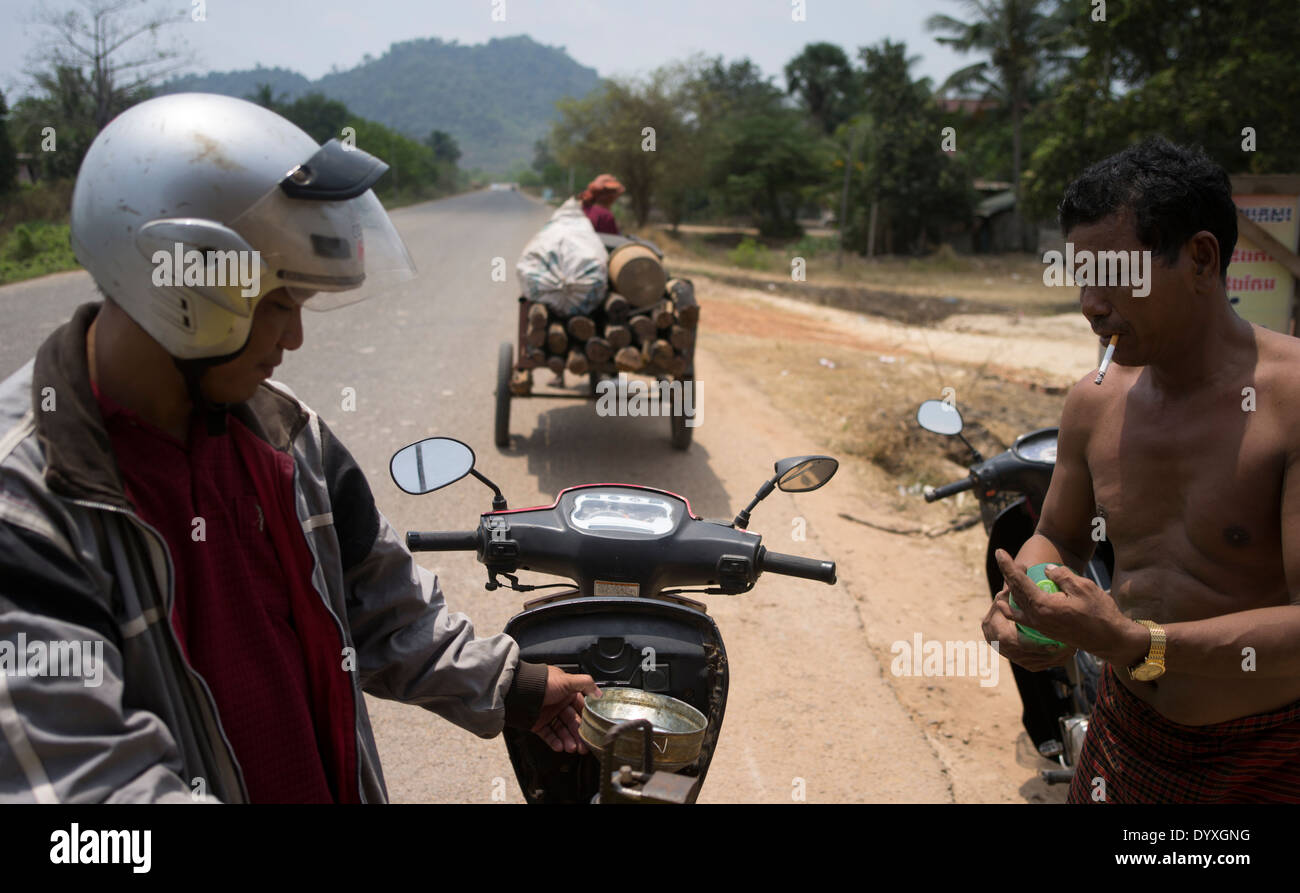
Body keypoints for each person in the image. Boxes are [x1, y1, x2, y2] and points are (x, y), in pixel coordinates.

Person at [0, 93, 598, 803]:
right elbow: (88, 792)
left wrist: (517, 685)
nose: (294, 339)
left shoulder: (288, 437)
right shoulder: (28, 506)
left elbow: (384, 602)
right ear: (180, 282)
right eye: (278, 305)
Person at [981, 136, 1300, 803]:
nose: (1091, 304)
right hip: (1125, 736)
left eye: (1116, 277)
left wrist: (1136, 639)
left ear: (1200, 259)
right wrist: (1031, 602)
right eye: (1081, 277)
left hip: (1266, 750)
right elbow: (1063, 536)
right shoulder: (1096, 401)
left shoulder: (1290, 402)